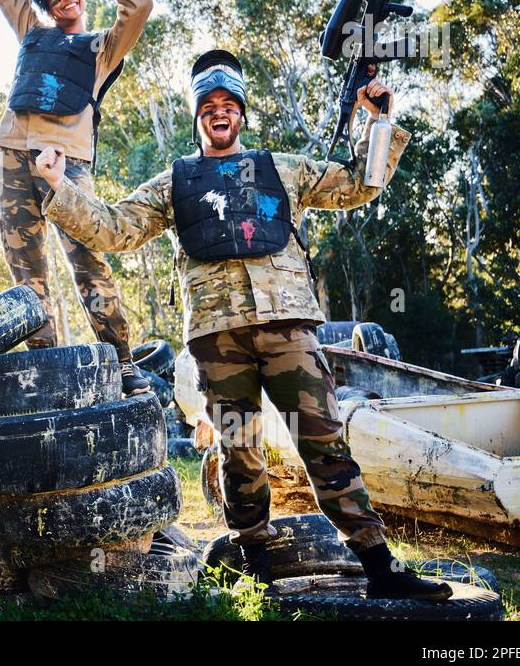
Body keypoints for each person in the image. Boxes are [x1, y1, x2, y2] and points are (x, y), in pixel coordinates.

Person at [35, 49, 451, 600]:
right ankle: (255, 566)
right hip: (217, 336)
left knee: (324, 441)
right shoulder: (175, 183)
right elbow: (114, 230)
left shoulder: (284, 169)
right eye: (208, 106)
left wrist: (375, 121)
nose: (219, 113)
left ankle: (380, 569)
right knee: (239, 451)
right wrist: (58, 186)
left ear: (242, 114)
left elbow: (359, 184)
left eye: (229, 104)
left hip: (288, 330)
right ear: (198, 118)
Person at [0, 0, 153, 395]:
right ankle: (49, 366)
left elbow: (139, 4)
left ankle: (122, 362)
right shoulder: (32, 32)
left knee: (88, 264)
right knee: (27, 272)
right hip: (14, 154)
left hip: (68, 166)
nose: (63, 0)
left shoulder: (101, 48)